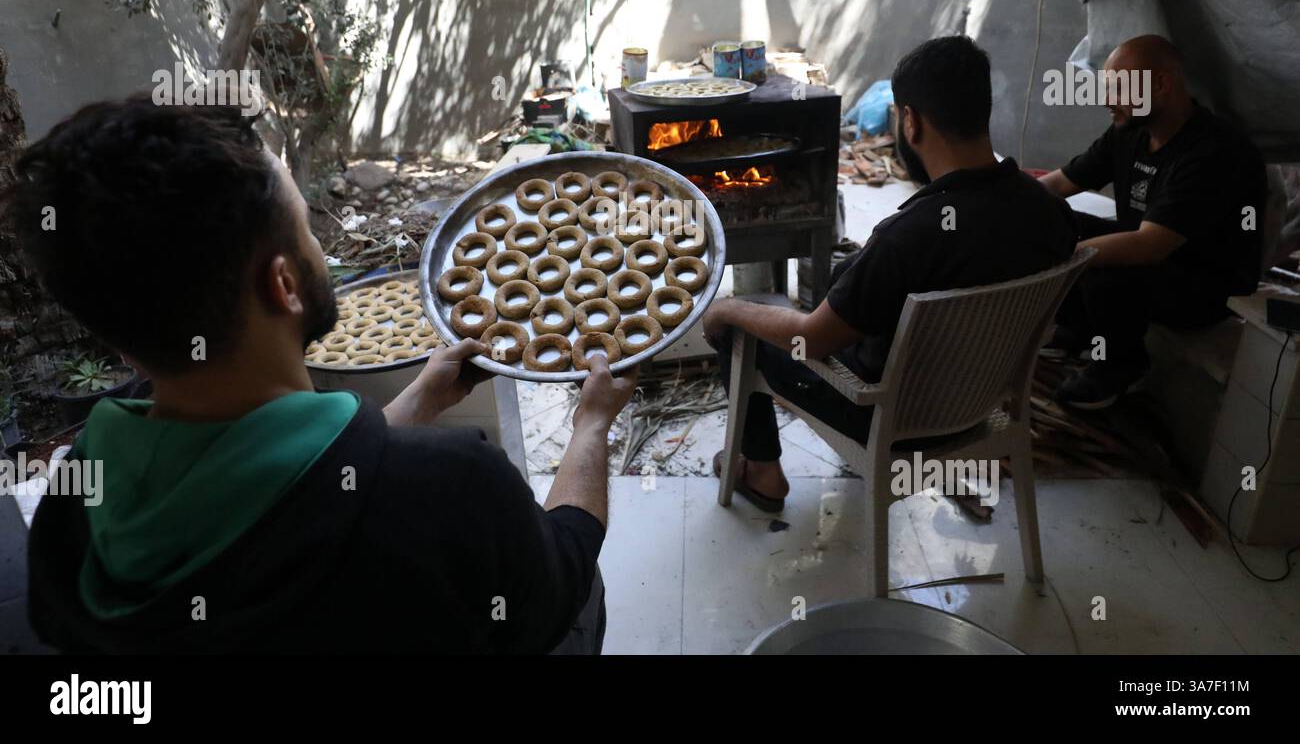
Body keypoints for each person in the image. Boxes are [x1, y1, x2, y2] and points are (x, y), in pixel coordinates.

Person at [6, 98, 636, 653]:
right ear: (283, 284)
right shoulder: (453, 486)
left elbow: (284, 495)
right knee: (578, 595)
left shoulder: (77, 503)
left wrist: (416, 402)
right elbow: (566, 565)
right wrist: (591, 425)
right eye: (306, 228)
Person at [702, 35, 1077, 512]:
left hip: (885, 417)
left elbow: (813, 341)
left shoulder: (909, 236)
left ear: (911, 121)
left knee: (742, 329)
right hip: (979, 409)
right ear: (982, 112)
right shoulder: (1050, 212)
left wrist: (730, 308)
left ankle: (763, 474)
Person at [1038, 35, 1267, 409]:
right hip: (1152, 252)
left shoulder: (1215, 152)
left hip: (1207, 285)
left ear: (1161, 84)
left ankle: (1119, 367)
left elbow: (1149, 245)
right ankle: (1080, 330)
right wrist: (1005, 204)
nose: (1107, 101)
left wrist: (1064, 255)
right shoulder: (1129, 132)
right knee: (1053, 222)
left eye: (1118, 89)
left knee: (1099, 264)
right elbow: (1061, 183)